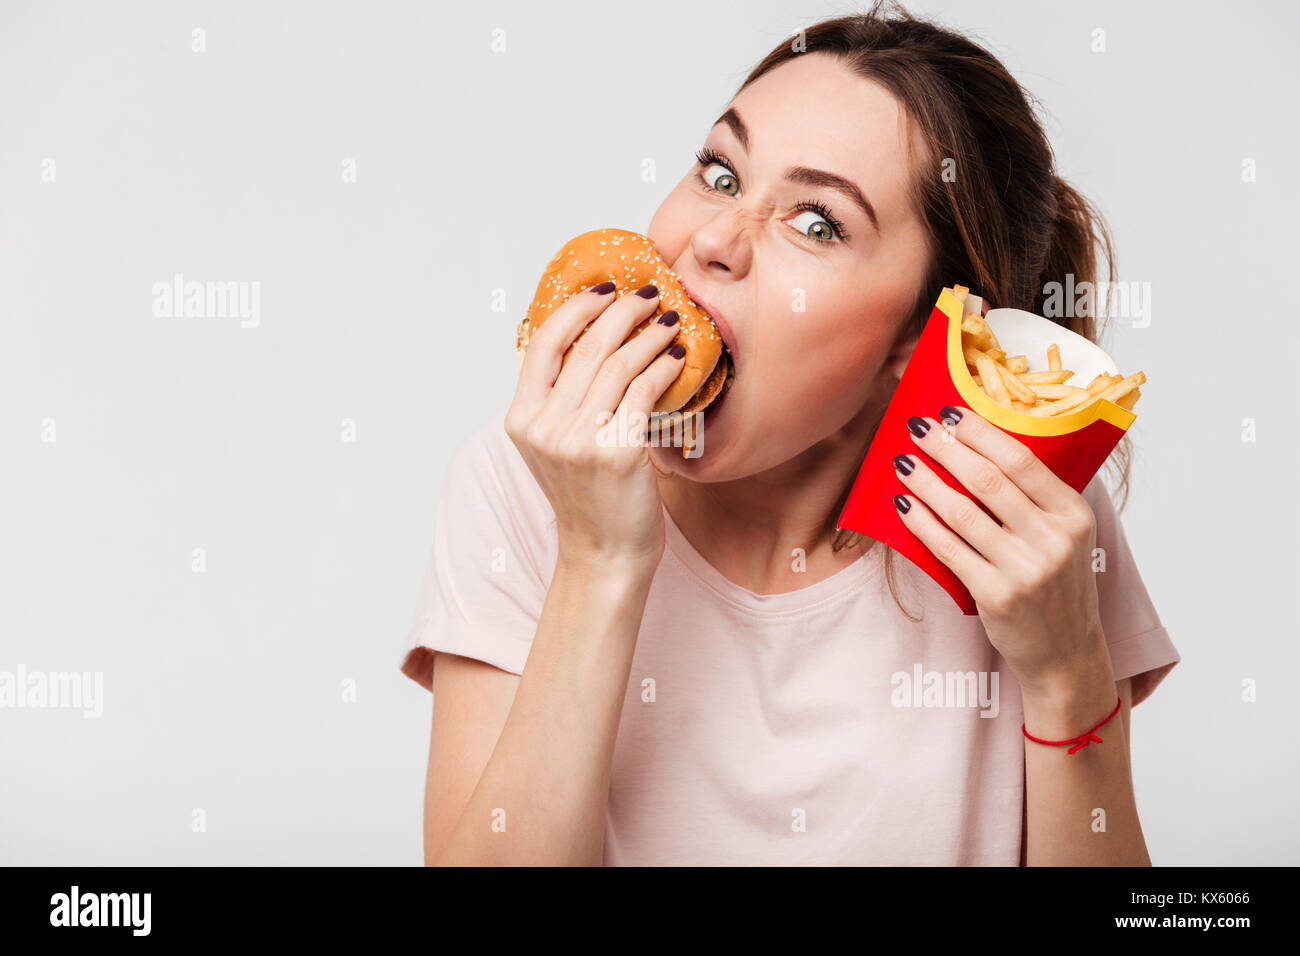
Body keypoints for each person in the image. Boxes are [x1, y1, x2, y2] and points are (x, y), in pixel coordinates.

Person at [400, 1, 1180, 865]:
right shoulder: (524, 483)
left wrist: (1067, 674)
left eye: (817, 223)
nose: (713, 240)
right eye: (721, 173)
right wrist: (598, 560)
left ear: (925, 334)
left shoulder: (1019, 519)